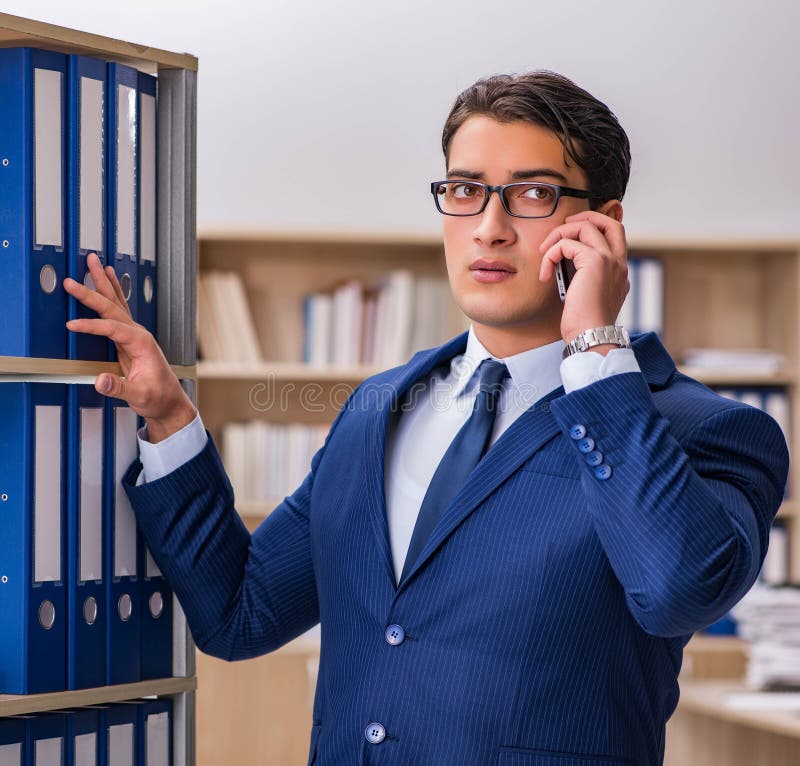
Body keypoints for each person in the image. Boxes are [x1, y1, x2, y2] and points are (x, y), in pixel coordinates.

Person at [64, 71, 789, 766]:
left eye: (533, 194)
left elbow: (674, 591)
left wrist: (596, 348)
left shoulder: (709, 430)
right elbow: (241, 613)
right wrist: (167, 417)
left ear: (604, 225)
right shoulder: (378, 408)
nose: (490, 228)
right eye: (467, 191)